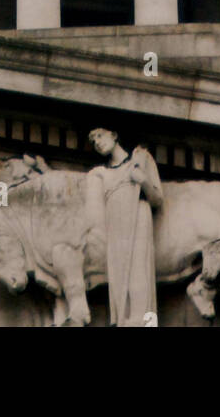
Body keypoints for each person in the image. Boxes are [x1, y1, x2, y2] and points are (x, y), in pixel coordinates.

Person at [85, 126, 163, 327]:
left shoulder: (140, 158)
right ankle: (123, 319)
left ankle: (140, 319)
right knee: (119, 276)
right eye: (93, 141)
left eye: (100, 136)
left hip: (138, 219)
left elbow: (157, 198)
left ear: (114, 134)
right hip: (115, 227)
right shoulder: (100, 174)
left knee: (138, 268)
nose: (97, 143)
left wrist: (143, 180)